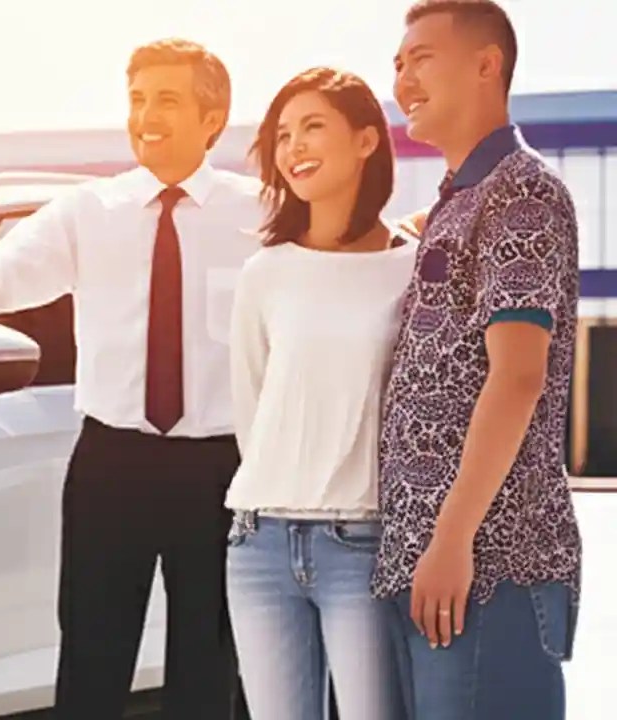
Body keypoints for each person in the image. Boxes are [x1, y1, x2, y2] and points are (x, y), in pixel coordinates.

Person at [0, 38, 263, 719]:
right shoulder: (89, 212)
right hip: (112, 463)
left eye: (167, 100)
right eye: (138, 100)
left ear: (213, 117)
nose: (146, 115)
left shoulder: (261, 215)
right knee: (91, 657)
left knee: (208, 670)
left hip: (222, 471)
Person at [374, 2, 583, 718]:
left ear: (487, 64)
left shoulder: (519, 192)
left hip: (490, 569)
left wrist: (453, 539)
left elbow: (518, 375)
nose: (403, 78)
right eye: (398, 63)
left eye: (422, 57)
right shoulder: (457, 203)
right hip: (430, 567)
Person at [224, 67, 414, 720]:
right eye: (282, 134)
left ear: (366, 141)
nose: (293, 148)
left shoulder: (413, 268)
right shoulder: (264, 274)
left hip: (363, 543)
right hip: (258, 542)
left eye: (312, 128)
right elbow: (251, 411)